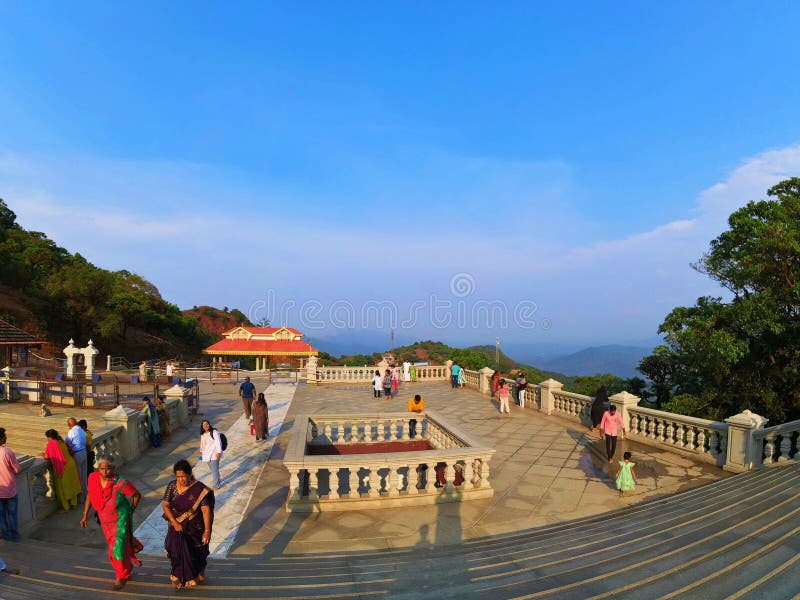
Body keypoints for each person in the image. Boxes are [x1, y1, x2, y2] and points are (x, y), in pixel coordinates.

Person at [79, 457, 142, 591]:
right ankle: (126, 568)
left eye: (108, 468)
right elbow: (90, 495)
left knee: (117, 548)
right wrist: (85, 515)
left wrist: (131, 510)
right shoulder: (93, 478)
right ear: (98, 469)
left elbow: (136, 495)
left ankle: (120, 577)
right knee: (118, 547)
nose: (105, 471)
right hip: (105, 521)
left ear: (113, 468)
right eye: (102, 469)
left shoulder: (121, 483)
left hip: (120, 520)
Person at [162, 459, 215, 589]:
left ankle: (199, 571)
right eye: (178, 477)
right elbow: (165, 505)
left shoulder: (199, 489)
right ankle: (178, 575)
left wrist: (207, 531)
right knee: (174, 549)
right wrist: (174, 523)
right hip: (176, 526)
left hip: (194, 528)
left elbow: (205, 510)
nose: (180, 480)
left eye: (183, 476)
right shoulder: (172, 486)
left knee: (197, 552)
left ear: (190, 474)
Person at [42, 429, 82, 512]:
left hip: (63, 467)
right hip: (71, 464)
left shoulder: (51, 444)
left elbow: (46, 457)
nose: (47, 439)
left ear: (49, 437)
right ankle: (74, 504)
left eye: (47, 437)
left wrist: (42, 454)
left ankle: (66, 507)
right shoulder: (61, 441)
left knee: (62, 487)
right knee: (72, 484)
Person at [0, 429, 20, 542]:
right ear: (1, 439)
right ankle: (15, 536)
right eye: (5, 436)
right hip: (10, 490)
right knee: (12, 515)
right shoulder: (8, 452)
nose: (6, 438)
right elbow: (17, 469)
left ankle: (7, 537)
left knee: (1, 517)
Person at [65, 417, 88, 499]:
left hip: (77, 454)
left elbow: (67, 442)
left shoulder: (72, 431)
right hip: (84, 452)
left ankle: (81, 497)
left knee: (79, 476)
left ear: (69, 425)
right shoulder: (82, 430)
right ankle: (85, 494)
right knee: (84, 475)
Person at [199, 420, 223, 489]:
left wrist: (219, 452)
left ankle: (217, 485)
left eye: (207, 424)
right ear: (202, 427)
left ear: (209, 425)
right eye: (204, 425)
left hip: (214, 455)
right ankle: (218, 481)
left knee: (214, 470)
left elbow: (218, 442)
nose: (206, 426)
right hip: (206, 455)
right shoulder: (203, 435)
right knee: (213, 470)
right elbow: (202, 444)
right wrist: (201, 451)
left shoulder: (214, 432)